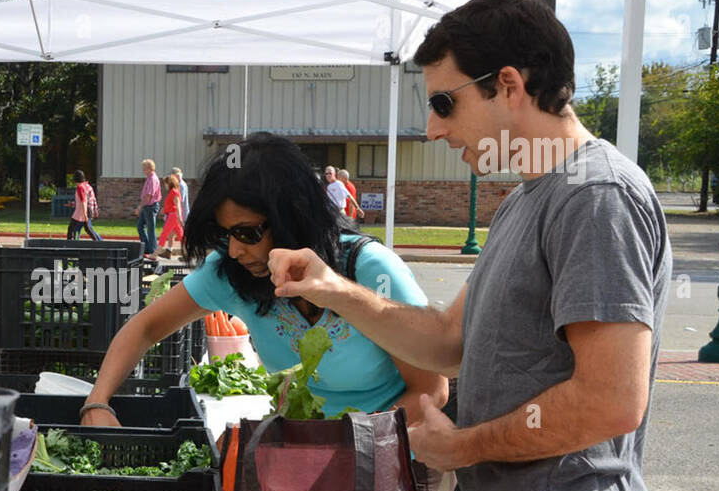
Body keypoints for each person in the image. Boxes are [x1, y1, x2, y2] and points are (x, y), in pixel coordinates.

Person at [269, 0, 670, 491]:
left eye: (445, 103)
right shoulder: (532, 197)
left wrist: (461, 447)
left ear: (509, 86)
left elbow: (612, 397)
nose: (431, 127)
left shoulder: (594, 196)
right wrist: (332, 288)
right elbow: (449, 340)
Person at [82, 133, 446, 429]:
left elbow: (431, 390)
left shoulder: (371, 270)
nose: (236, 250)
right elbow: (145, 328)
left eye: (248, 232)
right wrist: (97, 403)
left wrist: (350, 447)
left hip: (395, 460)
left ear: (292, 218)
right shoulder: (229, 271)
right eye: (225, 235)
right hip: (306, 457)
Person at [133, 158, 161, 260]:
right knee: (140, 226)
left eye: (144, 168)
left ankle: (153, 250)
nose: (143, 170)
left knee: (150, 229)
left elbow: (149, 196)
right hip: (147, 206)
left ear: (149, 168)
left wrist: (139, 207)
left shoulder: (153, 179)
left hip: (150, 206)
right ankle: (147, 248)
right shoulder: (149, 178)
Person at [67, 170, 102, 241]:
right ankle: (99, 242)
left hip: (83, 211)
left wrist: (85, 213)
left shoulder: (80, 187)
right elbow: (93, 199)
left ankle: (99, 242)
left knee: (77, 229)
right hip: (89, 210)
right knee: (88, 229)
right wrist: (95, 210)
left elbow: (83, 201)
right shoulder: (89, 187)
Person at [157, 172, 184, 258]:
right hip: (172, 215)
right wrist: (164, 209)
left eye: (166, 183)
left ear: (170, 183)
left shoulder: (174, 192)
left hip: (173, 216)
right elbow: (171, 204)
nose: (165, 185)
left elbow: (178, 205)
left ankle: (155, 253)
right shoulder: (172, 192)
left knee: (164, 233)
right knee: (181, 236)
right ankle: (187, 253)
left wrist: (179, 217)